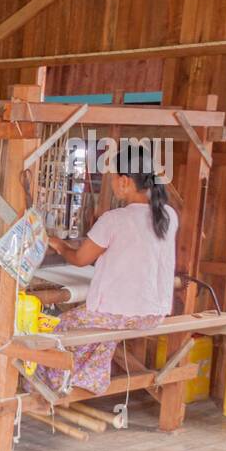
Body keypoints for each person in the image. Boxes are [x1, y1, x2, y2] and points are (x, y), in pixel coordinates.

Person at [40, 144, 177, 394]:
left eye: (113, 178)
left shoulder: (114, 220)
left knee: (58, 328)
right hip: (153, 313)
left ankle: (54, 386)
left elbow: (80, 260)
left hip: (119, 315)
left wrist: (60, 246)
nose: (113, 183)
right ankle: (88, 379)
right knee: (102, 329)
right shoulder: (168, 215)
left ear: (124, 181)